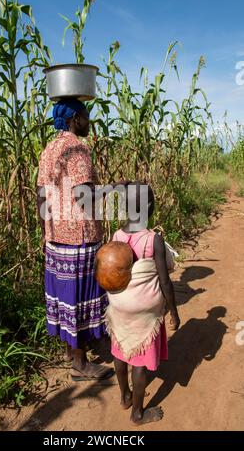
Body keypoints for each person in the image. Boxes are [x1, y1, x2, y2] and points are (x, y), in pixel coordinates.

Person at [37, 98, 118, 381]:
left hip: (56, 237)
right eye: (86, 115)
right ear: (74, 119)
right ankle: (81, 365)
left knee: (64, 297)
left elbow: (41, 196)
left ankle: (71, 351)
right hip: (80, 237)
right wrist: (114, 188)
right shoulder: (77, 148)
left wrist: (47, 231)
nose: (89, 121)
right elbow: (85, 195)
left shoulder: (49, 149)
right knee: (80, 299)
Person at [105, 182, 180, 425]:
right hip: (143, 312)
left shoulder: (117, 236)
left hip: (118, 305)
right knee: (139, 362)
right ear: (149, 207)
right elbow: (165, 282)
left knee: (120, 351)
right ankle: (137, 413)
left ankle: (125, 396)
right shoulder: (153, 240)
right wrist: (174, 312)